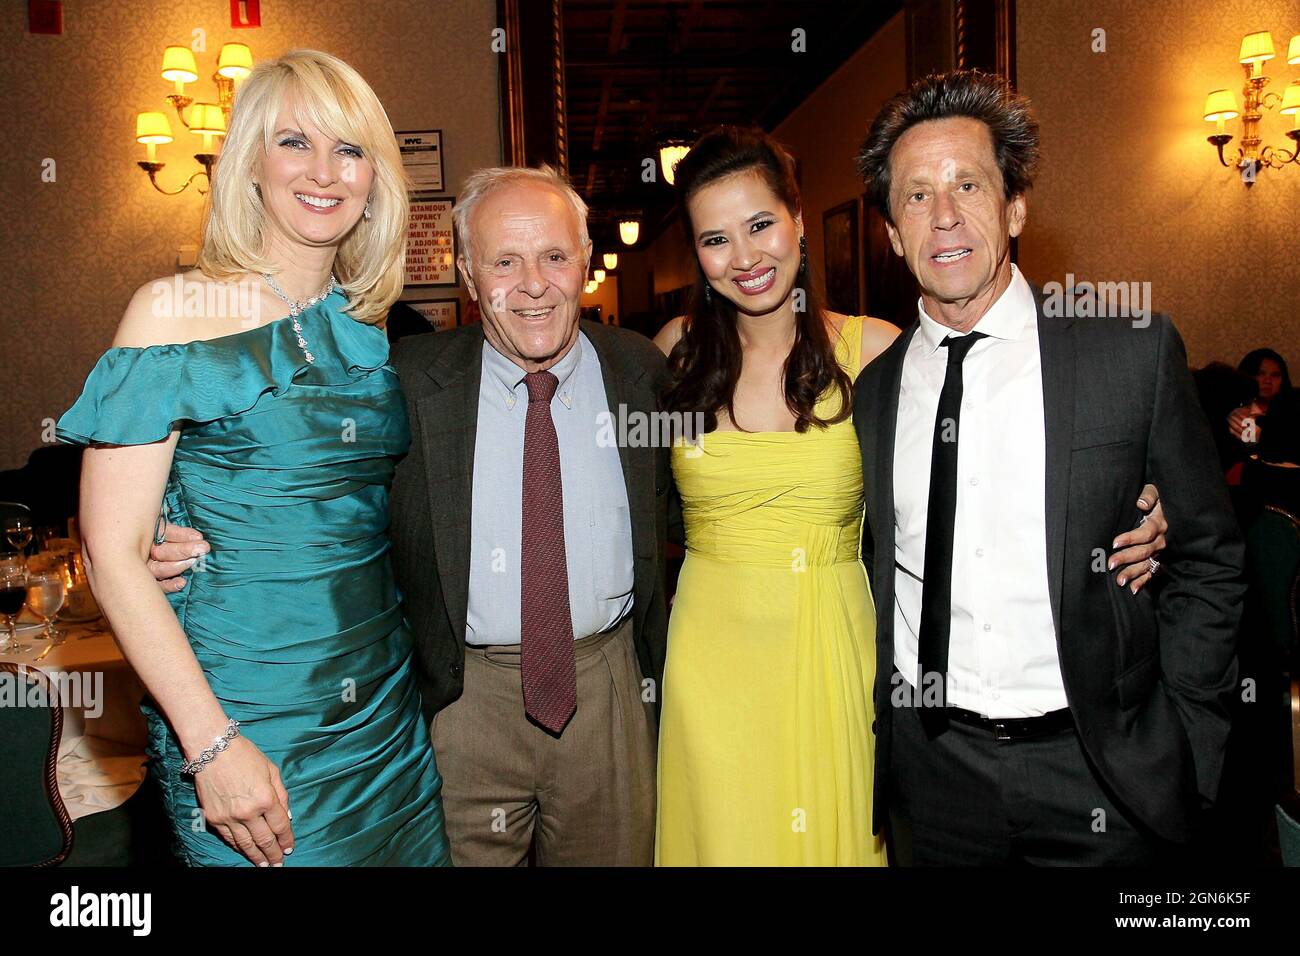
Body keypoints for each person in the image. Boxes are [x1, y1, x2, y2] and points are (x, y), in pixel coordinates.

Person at [651, 126, 1168, 865]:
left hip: (832, 644)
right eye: (715, 239)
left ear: (798, 220)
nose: (745, 257)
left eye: (761, 224)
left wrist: (1141, 506)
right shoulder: (672, 351)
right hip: (710, 655)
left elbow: (1002, 454)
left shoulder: (876, 350)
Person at [155, 165, 672, 865]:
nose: (534, 283)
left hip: (608, 690)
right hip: (458, 700)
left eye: (554, 256)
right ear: (467, 272)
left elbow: (698, 514)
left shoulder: (642, 374)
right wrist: (190, 540)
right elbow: (315, 495)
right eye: (504, 261)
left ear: (584, 260)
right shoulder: (402, 378)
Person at [59, 50, 450, 866]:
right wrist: (210, 746)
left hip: (383, 712)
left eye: (349, 149)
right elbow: (113, 554)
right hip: (245, 715)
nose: (324, 171)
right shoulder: (171, 313)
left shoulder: (369, 329)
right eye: (294, 143)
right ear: (248, 166)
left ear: (376, 176)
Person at [853, 69, 1243, 864]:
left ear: (1016, 206)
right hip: (933, 780)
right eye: (917, 196)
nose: (946, 216)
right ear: (892, 232)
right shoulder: (874, 391)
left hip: (1102, 770)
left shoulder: (1127, 349)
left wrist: (1191, 740)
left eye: (969, 183)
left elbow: (1211, 556)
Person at [1228, 349, 1299, 466]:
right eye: (1260, 374)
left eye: (1275, 375)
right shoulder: (1233, 408)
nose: (1268, 381)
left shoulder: (1294, 408)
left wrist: (1263, 438)